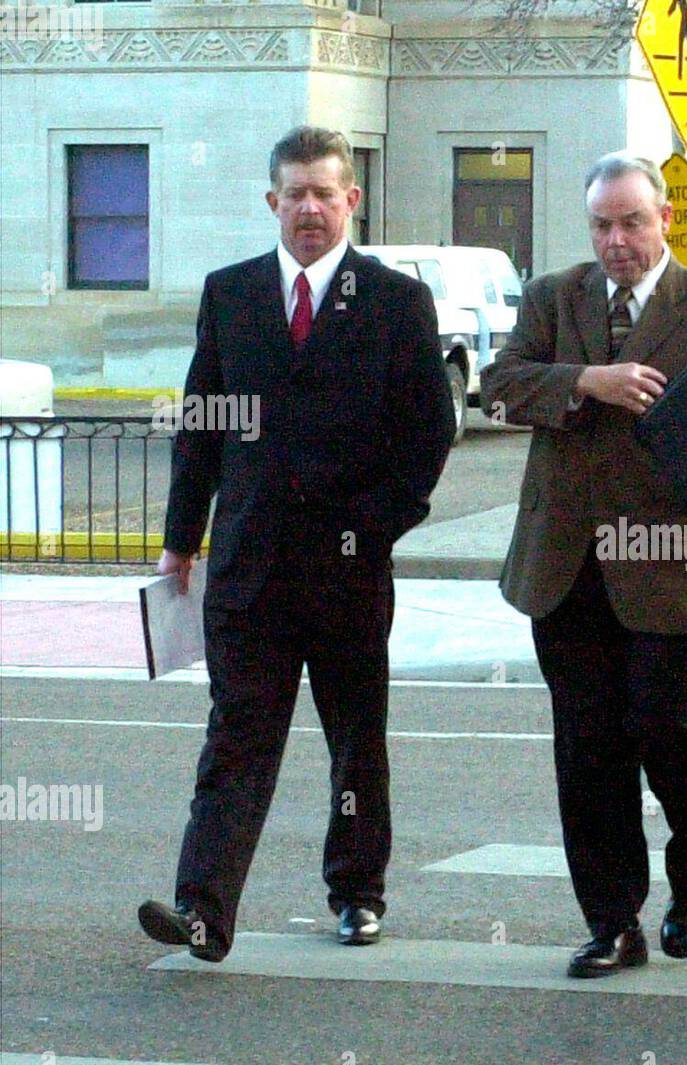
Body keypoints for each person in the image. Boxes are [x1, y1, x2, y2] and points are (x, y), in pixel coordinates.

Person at [138, 126, 455, 961]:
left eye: (325, 192)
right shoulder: (231, 294)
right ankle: (202, 909)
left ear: (352, 199)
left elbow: (429, 431)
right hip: (250, 569)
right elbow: (199, 428)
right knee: (236, 737)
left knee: (357, 737)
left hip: (349, 570)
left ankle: (358, 892)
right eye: (295, 193)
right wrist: (182, 539)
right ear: (271, 201)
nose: (310, 207)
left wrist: (378, 525)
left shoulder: (394, 299)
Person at [482, 151, 687, 978]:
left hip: (670, 565)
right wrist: (587, 381)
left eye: (632, 223)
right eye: (602, 226)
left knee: (667, 729)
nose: (617, 241)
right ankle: (613, 919)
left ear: (666, 221)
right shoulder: (553, 299)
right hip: (567, 566)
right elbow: (498, 391)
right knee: (587, 750)